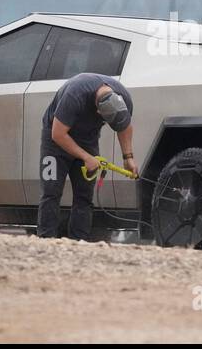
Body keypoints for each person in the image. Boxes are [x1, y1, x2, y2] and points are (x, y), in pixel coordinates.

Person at [37, 72, 136, 239]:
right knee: (51, 192)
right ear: (98, 111)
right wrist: (86, 157)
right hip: (55, 140)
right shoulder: (74, 95)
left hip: (88, 140)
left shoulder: (123, 98)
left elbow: (124, 126)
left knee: (84, 195)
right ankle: (46, 240)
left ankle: (79, 242)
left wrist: (128, 157)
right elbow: (58, 134)